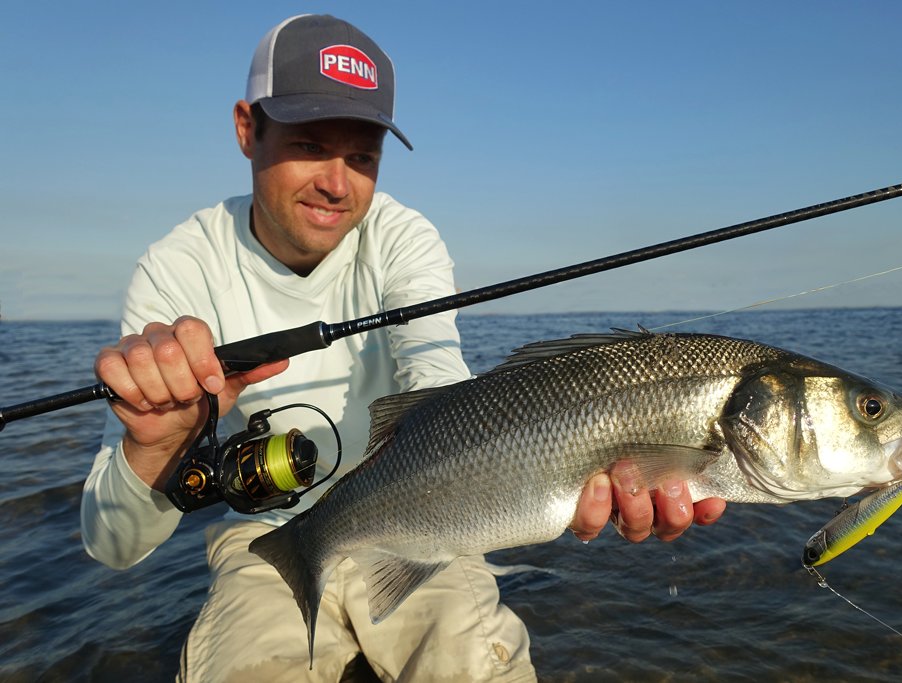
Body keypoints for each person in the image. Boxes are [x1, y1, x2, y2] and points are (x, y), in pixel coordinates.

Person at [81, 14, 726, 683]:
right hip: (265, 539)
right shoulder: (176, 269)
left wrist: (547, 459)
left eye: (362, 156)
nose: (338, 182)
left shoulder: (403, 237)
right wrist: (153, 451)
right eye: (309, 143)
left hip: (431, 512)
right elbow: (111, 545)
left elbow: (436, 366)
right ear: (247, 128)